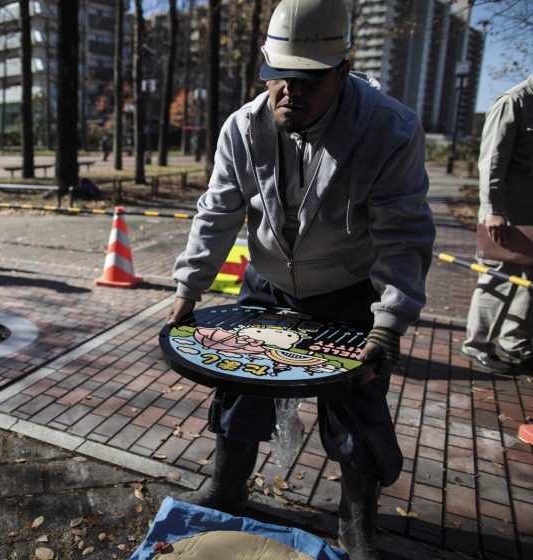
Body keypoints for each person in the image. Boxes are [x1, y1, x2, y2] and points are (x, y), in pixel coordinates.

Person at [164, 1, 435, 558]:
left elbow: (403, 236)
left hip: (350, 287)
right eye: (277, 76)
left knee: (356, 403)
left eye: (308, 79)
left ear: (342, 71)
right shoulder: (243, 127)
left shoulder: (389, 130)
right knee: (240, 381)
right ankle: (229, 485)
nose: (290, 91)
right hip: (268, 281)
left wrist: (388, 323)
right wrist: (188, 288)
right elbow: (217, 213)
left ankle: (357, 523)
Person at [460, 75, 533, 373]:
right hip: (506, 215)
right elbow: (491, 160)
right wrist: (492, 210)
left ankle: (517, 343)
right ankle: (476, 345)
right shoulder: (513, 102)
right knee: (496, 279)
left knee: (529, 283)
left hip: (530, 215)